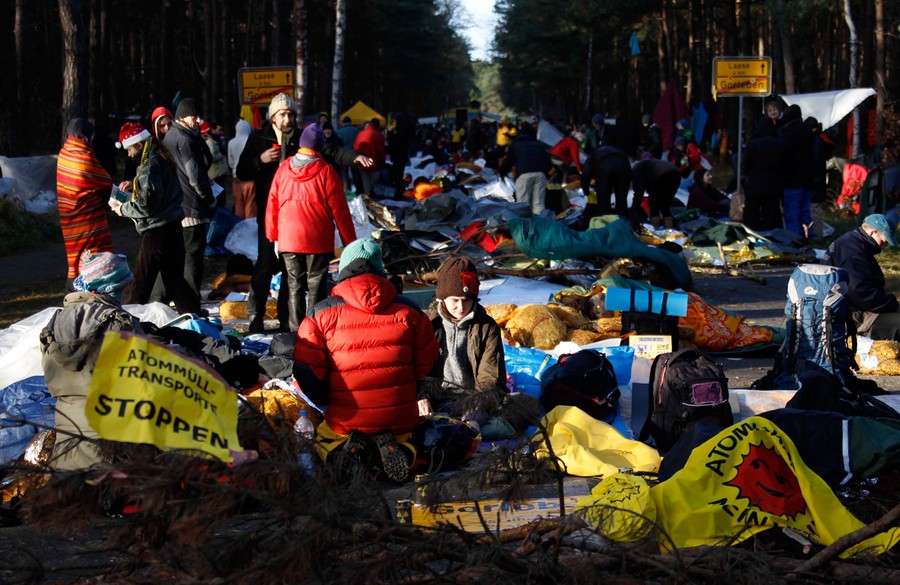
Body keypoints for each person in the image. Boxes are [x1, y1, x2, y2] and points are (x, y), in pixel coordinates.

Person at [292, 238, 440, 482]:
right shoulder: (411, 311)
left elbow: (307, 372)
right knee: (412, 438)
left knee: (324, 439)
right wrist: (417, 396)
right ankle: (401, 449)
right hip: (399, 416)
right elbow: (430, 366)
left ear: (343, 271)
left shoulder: (320, 313)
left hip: (346, 418)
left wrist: (325, 400)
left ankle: (341, 450)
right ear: (380, 270)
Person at [237, 93, 370, 332]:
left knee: (293, 276)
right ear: (273, 118)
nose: (287, 118)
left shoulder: (303, 137)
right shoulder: (259, 138)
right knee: (265, 266)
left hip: (297, 219)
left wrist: (354, 158)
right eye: (282, 114)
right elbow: (241, 171)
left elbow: (333, 150)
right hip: (270, 214)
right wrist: (260, 159)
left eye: (290, 114)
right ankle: (255, 315)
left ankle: (289, 321)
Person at [40, 250, 143, 470]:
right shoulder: (120, 325)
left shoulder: (55, 324)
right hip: (111, 450)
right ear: (118, 288)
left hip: (66, 447)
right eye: (128, 286)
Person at [266, 124, 357, 332]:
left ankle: (296, 332)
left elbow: (272, 203)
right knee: (316, 284)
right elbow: (340, 211)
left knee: (293, 285)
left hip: (288, 238)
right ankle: (315, 329)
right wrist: (350, 243)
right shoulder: (326, 171)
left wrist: (273, 236)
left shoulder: (283, 169)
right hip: (318, 239)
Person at [110, 122, 200, 314]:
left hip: (157, 230)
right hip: (173, 225)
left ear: (140, 144)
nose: (129, 154)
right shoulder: (160, 157)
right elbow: (158, 193)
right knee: (175, 280)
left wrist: (123, 208)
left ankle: (129, 324)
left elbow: (147, 204)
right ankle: (193, 318)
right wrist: (135, 186)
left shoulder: (150, 165)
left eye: (130, 149)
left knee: (142, 282)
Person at [423, 257, 506, 432]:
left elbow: (490, 379)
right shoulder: (426, 324)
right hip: (433, 399)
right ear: (442, 298)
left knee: (521, 409)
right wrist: (420, 398)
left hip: (471, 400)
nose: (461, 307)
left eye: (466, 300)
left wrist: (476, 416)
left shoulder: (487, 328)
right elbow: (412, 370)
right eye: (455, 300)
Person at [163, 97, 217, 298]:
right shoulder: (185, 140)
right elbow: (196, 176)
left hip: (176, 205)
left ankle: (174, 297)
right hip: (192, 207)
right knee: (193, 257)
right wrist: (209, 198)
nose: (198, 120)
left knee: (179, 256)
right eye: (194, 116)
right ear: (182, 117)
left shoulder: (171, 136)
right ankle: (191, 301)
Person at [56, 117, 114, 292]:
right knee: (92, 260)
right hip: (87, 220)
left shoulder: (64, 153)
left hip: (69, 217)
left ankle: (72, 294)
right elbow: (105, 181)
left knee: (74, 257)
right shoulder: (84, 158)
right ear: (85, 135)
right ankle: (86, 294)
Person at [823, 214, 900, 341]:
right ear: (872, 232)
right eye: (884, 241)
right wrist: (892, 304)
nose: (884, 247)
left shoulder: (854, 242)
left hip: (856, 306)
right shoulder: (853, 254)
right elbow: (861, 294)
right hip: (851, 315)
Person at [742, 118, 787, 231]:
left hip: (755, 183)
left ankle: (752, 234)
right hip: (773, 184)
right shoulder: (779, 143)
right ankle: (771, 237)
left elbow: (745, 165)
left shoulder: (753, 144)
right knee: (771, 213)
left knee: (752, 213)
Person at [779, 104, 816, 239]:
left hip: (791, 179)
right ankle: (808, 236)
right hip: (807, 178)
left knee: (792, 214)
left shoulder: (787, 134)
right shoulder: (808, 133)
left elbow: (783, 156)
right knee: (805, 211)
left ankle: (793, 240)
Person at [499, 124, 551, 216]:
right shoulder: (538, 144)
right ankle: (540, 226)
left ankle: (525, 227)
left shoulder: (516, 145)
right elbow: (548, 161)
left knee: (523, 205)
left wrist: (502, 172)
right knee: (539, 204)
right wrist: (546, 173)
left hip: (523, 174)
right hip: (540, 174)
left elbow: (508, 161)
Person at [580, 145, 632, 219]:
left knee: (603, 199)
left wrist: (585, 190)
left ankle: (606, 223)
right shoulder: (615, 150)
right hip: (624, 165)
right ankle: (623, 222)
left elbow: (585, 174)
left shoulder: (593, 155)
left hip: (605, 166)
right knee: (622, 199)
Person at [630, 157, 682, 228]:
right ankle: (669, 229)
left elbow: (639, 193)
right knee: (666, 204)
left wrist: (634, 210)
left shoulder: (636, 171)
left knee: (654, 205)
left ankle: (655, 230)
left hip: (661, 174)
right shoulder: (646, 165)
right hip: (675, 173)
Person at [228, 119, 256, 218]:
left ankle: (239, 227)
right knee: (250, 205)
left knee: (238, 205)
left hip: (236, 178)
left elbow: (230, 162)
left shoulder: (231, 143)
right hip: (250, 178)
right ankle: (250, 229)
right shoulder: (251, 140)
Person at [353, 118, 386, 196]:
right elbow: (381, 151)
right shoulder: (378, 135)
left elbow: (355, 147)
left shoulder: (360, 133)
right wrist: (382, 163)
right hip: (374, 163)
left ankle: (367, 197)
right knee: (374, 182)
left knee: (365, 181)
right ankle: (373, 198)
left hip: (362, 162)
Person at [201, 121, 230, 208]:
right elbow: (211, 157)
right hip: (215, 175)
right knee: (219, 199)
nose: (220, 132)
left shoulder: (215, 140)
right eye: (218, 129)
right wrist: (221, 154)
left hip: (218, 174)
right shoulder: (210, 142)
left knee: (221, 198)